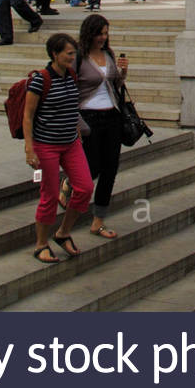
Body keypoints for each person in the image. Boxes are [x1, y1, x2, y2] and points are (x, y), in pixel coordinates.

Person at [23, 33, 92, 264]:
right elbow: (28, 116)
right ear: (55, 54)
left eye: (74, 53)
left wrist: (77, 132)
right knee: (50, 195)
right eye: (69, 53)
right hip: (46, 145)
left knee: (84, 187)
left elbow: (72, 108)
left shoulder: (70, 76)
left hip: (71, 143)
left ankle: (63, 232)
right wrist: (29, 149)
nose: (73, 57)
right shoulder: (40, 80)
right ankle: (41, 244)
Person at [72, 14, 129, 239]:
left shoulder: (109, 54)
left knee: (110, 168)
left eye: (106, 34)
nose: (103, 38)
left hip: (112, 115)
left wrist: (123, 72)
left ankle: (98, 220)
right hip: (88, 117)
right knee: (92, 166)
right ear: (89, 34)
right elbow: (70, 89)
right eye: (99, 34)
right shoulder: (78, 57)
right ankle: (70, 185)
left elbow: (116, 85)